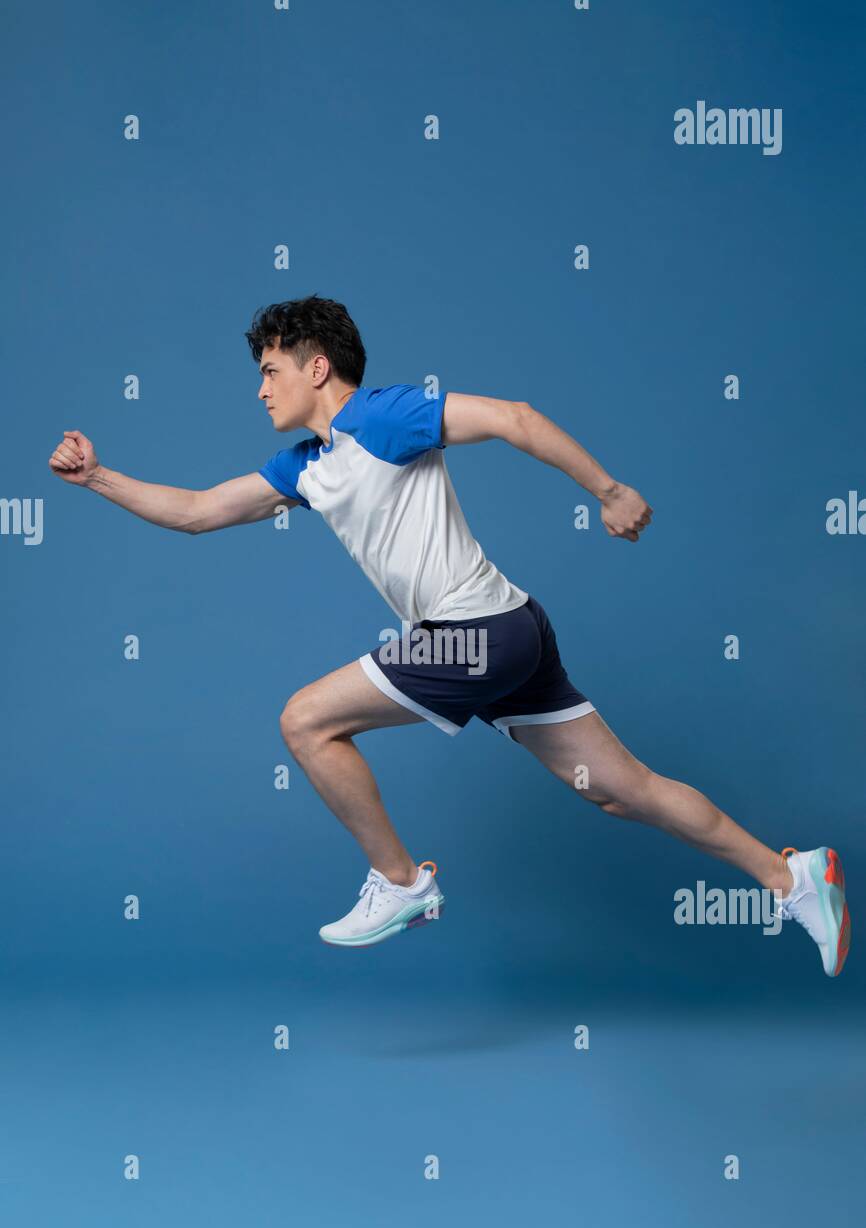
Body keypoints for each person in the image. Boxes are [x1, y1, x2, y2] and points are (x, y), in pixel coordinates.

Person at [48, 296, 851, 973]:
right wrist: (96, 478)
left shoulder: (382, 417)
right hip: (513, 632)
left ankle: (398, 881)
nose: (259, 389)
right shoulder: (304, 467)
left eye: (269, 369)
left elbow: (513, 418)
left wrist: (609, 490)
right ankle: (791, 877)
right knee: (621, 790)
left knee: (306, 719)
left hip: (481, 633)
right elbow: (193, 513)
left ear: (316, 366)